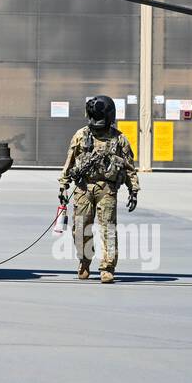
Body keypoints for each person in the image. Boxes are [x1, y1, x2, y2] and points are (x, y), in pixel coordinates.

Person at [58, 95, 139, 284]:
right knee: (80, 228)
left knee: (108, 229)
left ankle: (107, 268)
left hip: (106, 189)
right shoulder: (81, 135)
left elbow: (129, 167)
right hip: (83, 188)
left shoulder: (119, 139)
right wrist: (63, 185)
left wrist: (133, 189)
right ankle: (85, 262)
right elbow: (69, 161)